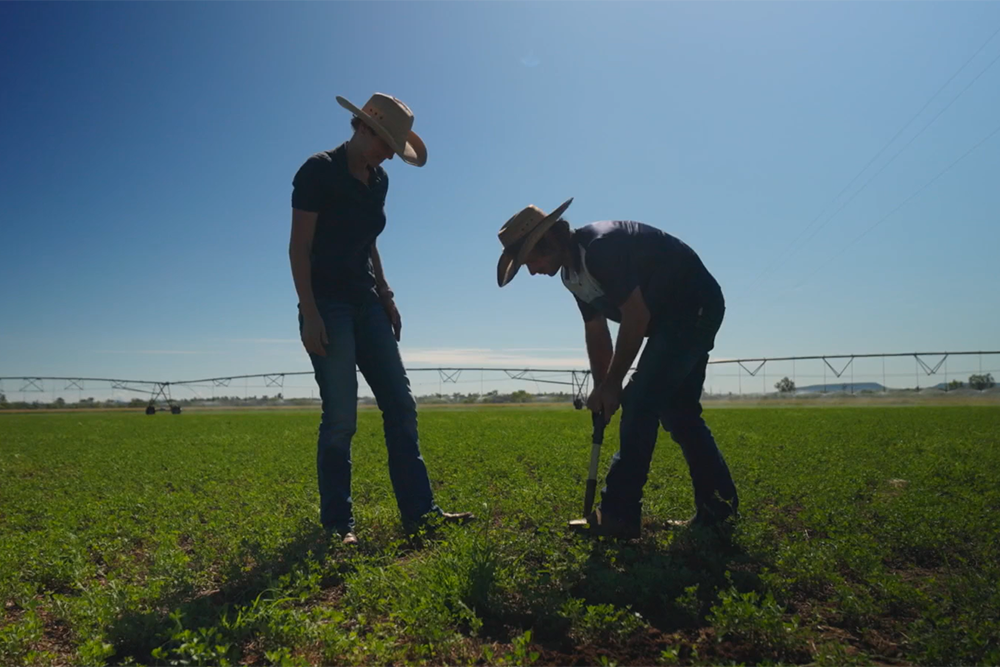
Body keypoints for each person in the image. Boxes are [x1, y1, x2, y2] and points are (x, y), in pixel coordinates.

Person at [288, 92, 473, 545]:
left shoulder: (379, 180)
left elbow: (369, 241)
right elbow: (299, 247)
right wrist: (310, 312)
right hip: (327, 304)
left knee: (401, 407)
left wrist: (386, 294)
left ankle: (421, 515)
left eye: (395, 144)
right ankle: (338, 526)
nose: (389, 152)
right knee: (341, 419)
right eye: (386, 141)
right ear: (363, 127)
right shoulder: (318, 170)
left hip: (367, 302)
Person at [495, 198, 738, 538]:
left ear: (549, 241)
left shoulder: (599, 249)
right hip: (669, 319)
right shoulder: (571, 274)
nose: (532, 270)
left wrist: (616, 384)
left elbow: (635, 316)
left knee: (639, 401)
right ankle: (719, 511)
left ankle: (618, 515)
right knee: (679, 412)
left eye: (530, 259)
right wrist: (602, 387)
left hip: (692, 306)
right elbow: (596, 331)